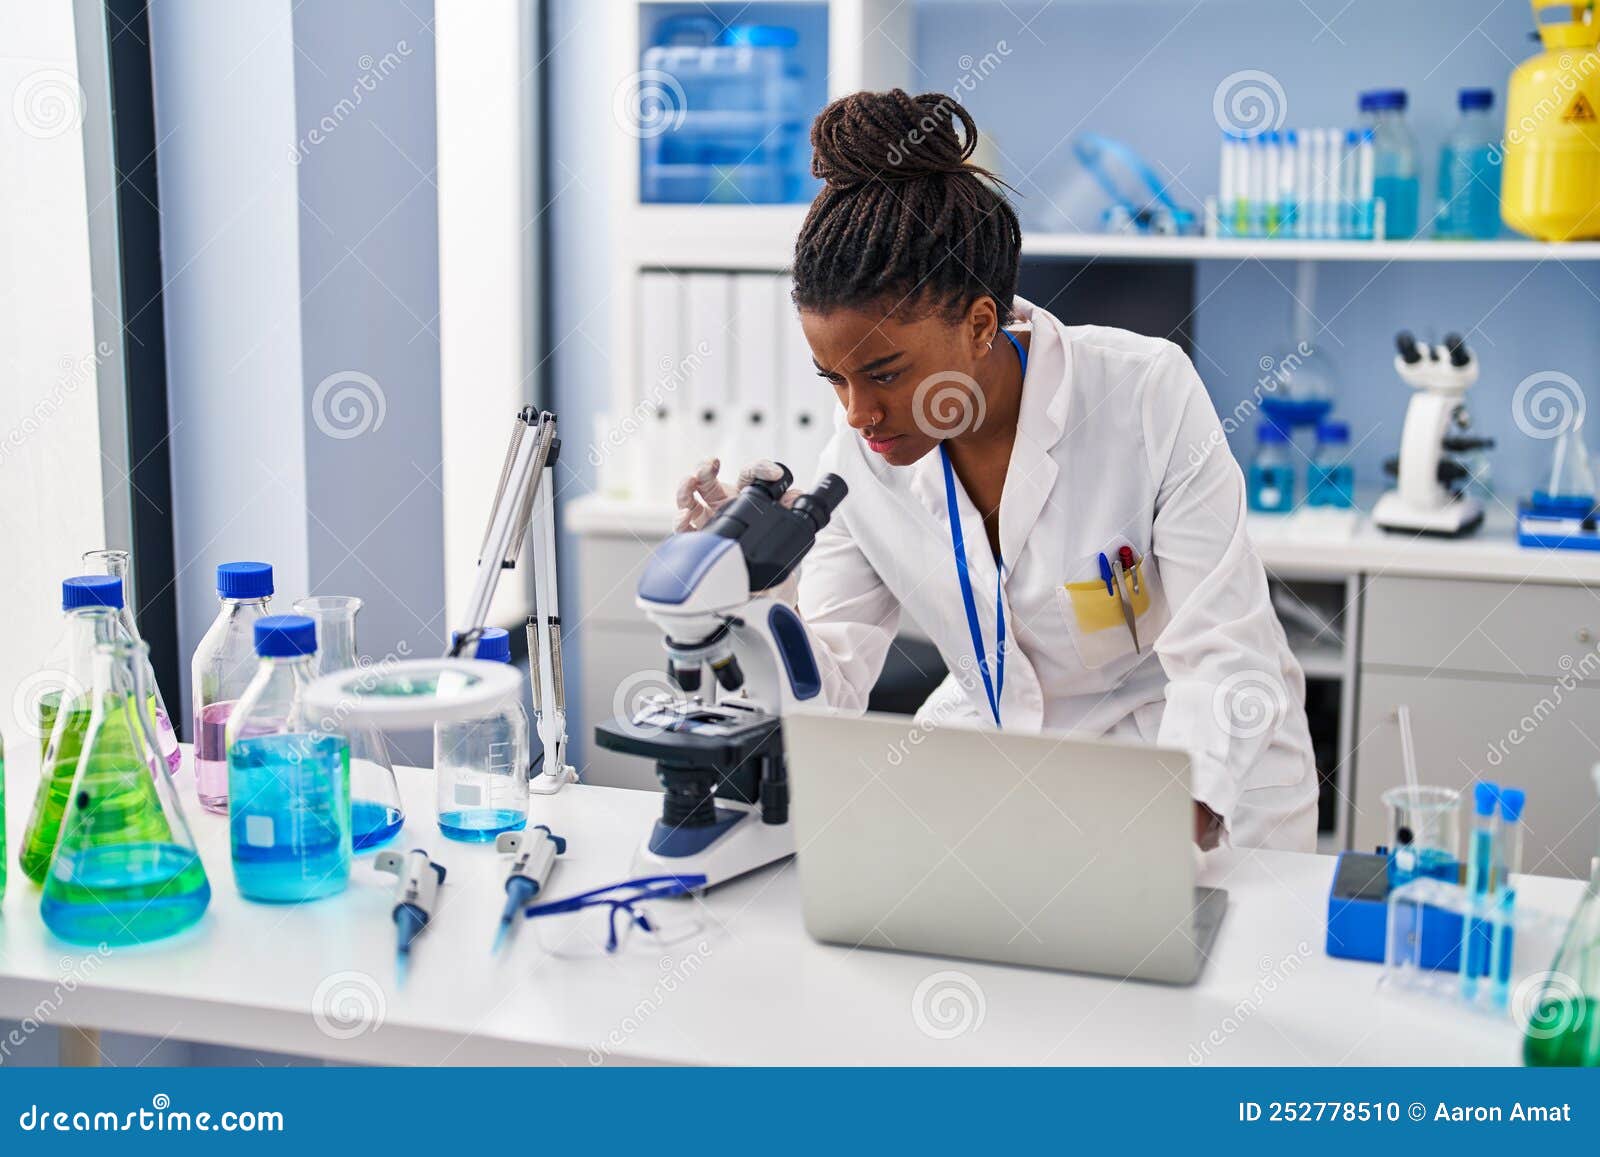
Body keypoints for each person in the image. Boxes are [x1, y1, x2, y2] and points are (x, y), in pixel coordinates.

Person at [674, 90, 1316, 851]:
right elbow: (831, 686)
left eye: (884, 373)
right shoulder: (860, 463)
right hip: (1006, 775)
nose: (857, 413)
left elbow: (1225, 653)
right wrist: (749, 592)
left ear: (981, 323)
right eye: (834, 380)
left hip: (1192, 781)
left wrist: (1175, 827)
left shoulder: (1144, 392)